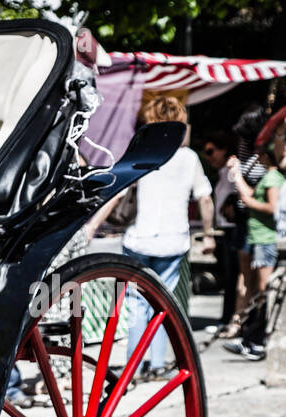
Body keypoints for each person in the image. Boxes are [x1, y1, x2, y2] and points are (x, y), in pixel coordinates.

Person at [86, 96, 215, 379]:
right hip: (173, 240)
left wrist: (92, 226)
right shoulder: (189, 158)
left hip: (139, 239)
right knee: (163, 301)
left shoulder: (146, 154)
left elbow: (117, 192)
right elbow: (205, 199)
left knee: (135, 302)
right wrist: (208, 235)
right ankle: (156, 364)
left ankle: (134, 365)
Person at [224, 107, 286, 360]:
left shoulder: (272, 178)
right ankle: (250, 335)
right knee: (255, 286)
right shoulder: (271, 175)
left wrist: (238, 180)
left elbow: (270, 206)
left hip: (266, 238)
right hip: (259, 236)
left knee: (264, 290)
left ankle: (256, 339)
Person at [202, 131, 240, 327]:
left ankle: (230, 319)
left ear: (224, 149)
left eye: (211, 151)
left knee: (233, 276)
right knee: (230, 275)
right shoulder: (222, 173)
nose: (208, 156)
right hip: (226, 229)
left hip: (234, 228)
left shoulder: (232, 170)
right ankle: (228, 318)